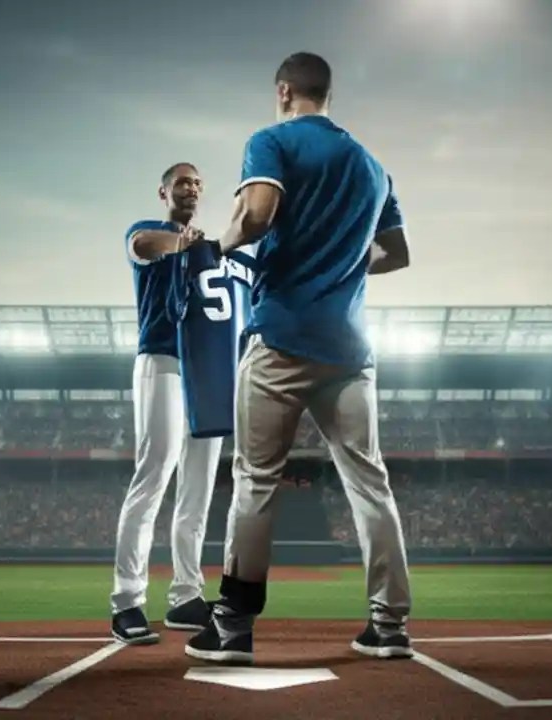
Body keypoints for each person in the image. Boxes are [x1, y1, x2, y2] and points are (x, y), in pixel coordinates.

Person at [185, 52, 414, 665]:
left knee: (256, 480)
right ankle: (389, 625)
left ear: (284, 91)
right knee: (370, 481)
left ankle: (233, 626)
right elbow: (396, 255)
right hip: (350, 348)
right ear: (326, 93)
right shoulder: (373, 166)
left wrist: (215, 244)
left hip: (283, 334)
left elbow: (256, 214)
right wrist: (341, 262)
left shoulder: (272, 140)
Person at [109, 163, 226, 645]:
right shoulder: (149, 231)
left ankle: (185, 596)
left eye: (197, 182)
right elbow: (143, 248)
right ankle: (127, 602)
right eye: (182, 182)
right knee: (154, 475)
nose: (191, 188)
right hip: (161, 361)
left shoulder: (208, 250)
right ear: (164, 191)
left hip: (204, 371)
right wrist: (189, 243)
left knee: (197, 490)